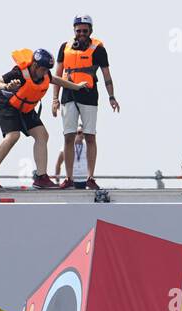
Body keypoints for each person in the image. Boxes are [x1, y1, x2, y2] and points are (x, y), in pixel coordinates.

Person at [0, 48, 85, 190]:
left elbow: (56, 80)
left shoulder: (45, 74)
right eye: (43, 69)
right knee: (13, 136)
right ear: (35, 66)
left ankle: (41, 178)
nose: (45, 73)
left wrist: (76, 87)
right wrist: (6, 86)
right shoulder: (19, 73)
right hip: (6, 103)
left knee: (42, 135)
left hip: (25, 107)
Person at [51, 14, 117, 189]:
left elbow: (107, 76)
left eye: (85, 31)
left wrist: (112, 96)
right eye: (78, 30)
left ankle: (90, 177)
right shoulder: (64, 47)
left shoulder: (98, 49)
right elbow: (56, 76)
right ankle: (69, 178)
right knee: (68, 136)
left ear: (91, 31)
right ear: (74, 30)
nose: (81, 34)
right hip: (68, 95)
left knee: (90, 136)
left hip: (89, 94)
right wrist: (55, 99)